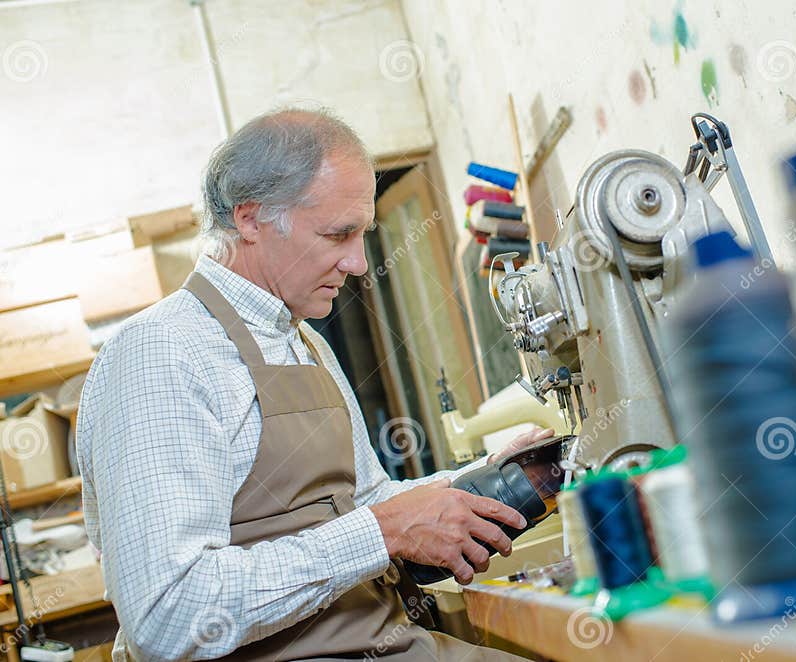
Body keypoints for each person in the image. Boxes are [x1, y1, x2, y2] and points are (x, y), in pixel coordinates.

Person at [77, 108, 553, 661]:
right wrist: (381, 532)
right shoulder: (160, 354)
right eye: (337, 234)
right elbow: (168, 614)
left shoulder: (305, 341)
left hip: (385, 640)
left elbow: (367, 502)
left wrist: (487, 479)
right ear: (250, 219)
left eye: (363, 233)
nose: (356, 263)